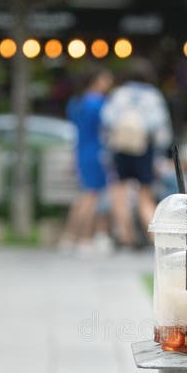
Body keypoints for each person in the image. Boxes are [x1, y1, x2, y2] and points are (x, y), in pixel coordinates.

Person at [101, 58, 173, 247]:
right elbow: (160, 128)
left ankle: (126, 235)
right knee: (145, 195)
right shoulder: (153, 96)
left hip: (121, 148)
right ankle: (154, 239)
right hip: (144, 149)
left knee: (119, 192)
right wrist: (161, 153)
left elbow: (107, 120)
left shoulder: (118, 94)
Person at [60, 66, 114, 255]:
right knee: (91, 197)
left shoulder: (76, 102)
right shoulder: (99, 104)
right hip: (97, 152)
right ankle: (83, 238)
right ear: (96, 80)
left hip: (82, 151)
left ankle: (70, 237)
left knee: (85, 196)